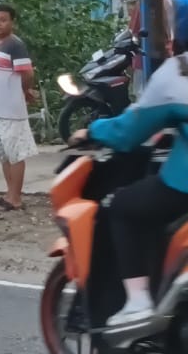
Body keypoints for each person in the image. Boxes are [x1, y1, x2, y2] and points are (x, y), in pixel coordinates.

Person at [72, 52, 188, 327]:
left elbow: (130, 129)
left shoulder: (178, 71)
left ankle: (138, 302)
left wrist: (92, 131)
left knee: (124, 207)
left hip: (182, 183)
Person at [0, 4, 39, 212]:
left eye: (3, 19)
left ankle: (16, 198)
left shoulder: (15, 45)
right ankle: (9, 193)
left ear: (11, 22)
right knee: (3, 154)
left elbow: (27, 73)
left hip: (10, 110)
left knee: (15, 154)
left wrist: (23, 92)